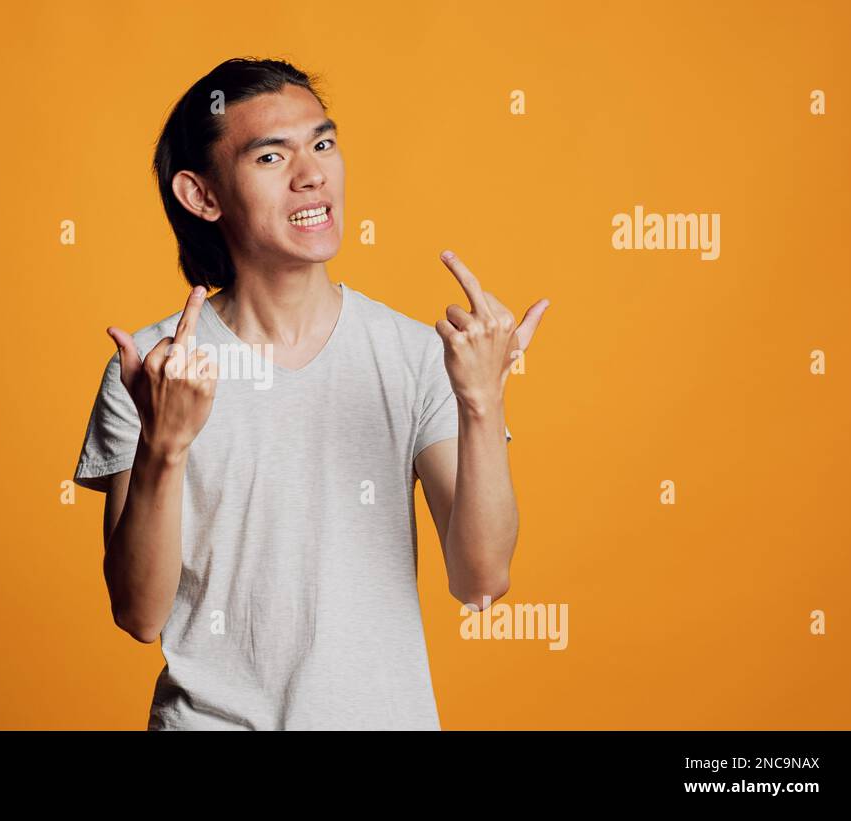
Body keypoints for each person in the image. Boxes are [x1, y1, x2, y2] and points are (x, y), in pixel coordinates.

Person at [72, 57, 549, 730]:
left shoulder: (416, 356)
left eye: (323, 144)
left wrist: (480, 402)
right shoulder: (152, 370)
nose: (313, 174)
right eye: (271, 156)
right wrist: (165, 444)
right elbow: (139, 613)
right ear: (202, 195)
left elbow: (481, 579)